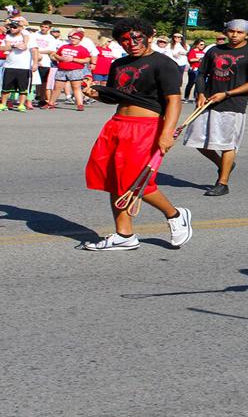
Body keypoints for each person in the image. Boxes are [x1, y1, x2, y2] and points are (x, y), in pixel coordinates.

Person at [79, 17, 193, 251]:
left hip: (146, 127)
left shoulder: (163, 63)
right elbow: (114, 97)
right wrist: (93, 93)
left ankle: (175, 215)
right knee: (111, 178)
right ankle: (124, 234)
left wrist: (167, 133)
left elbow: (174, 100)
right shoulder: (118, 65)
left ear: (149, 36)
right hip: (117, 124)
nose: (131, 43)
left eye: (136, 37)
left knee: (135, 180)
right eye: (124, 40)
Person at [186, 19, 248, 196]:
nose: (234, 35)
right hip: (208, 101)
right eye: (231, 31)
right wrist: (200, 93)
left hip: (232, 103)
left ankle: (223, 182)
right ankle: (224, 164)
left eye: (239, 32)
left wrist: (228, 93)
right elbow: (201, 73)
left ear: (247, 35)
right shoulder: (214, 50)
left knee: (226, 144)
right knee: (197, 140)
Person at [0, 20, 36, 111]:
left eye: (14, 27)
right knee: (6, 87)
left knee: (23, 88)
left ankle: (21, 105)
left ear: (20, 28)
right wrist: (13, 46)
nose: (12, 29)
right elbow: (1, 48)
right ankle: (3, 104)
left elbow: (34, 50)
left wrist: (35, 63)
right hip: (9, 65)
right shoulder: (8, 36)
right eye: (10, 27)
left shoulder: (28, 37)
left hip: (23, 66)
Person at [51, 31, 93, 110]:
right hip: (61, 69)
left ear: (80, 40)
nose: (73, 39)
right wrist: (61, 58)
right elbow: (56, 54)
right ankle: (51, 103)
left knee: (76, 87)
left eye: (76, 38)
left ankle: (80, 105)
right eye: (72, 38)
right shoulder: (64, 46)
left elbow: (86, 60)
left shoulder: (83, 49)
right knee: (57, 87)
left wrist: (73, 59)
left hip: (75, 70)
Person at [28, 20, 58, 106]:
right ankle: (30, 98)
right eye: (42, 27)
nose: (43, 29)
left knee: (43, 81)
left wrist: (37, 51)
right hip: (33, 60)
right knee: (32, 80)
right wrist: (35, 53)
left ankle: (42, 98)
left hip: (45, 62)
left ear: (49, 28)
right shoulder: (34, 35)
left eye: (46, 27)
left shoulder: (51, 38)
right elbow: (30, 47)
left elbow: (51, 50)